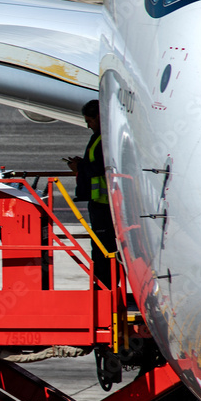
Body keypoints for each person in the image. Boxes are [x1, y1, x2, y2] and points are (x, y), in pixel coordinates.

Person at [66, 99, 117, 288]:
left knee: (103, 249)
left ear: (98, 117)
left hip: (105, 204)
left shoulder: (104, 138)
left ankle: (103, 289)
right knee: (102, 248)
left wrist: (79, 167)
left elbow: (100, 168)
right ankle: (105, 288)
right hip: (101, 202)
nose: (88, 126)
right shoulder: (100, 137)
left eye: (89, 121)